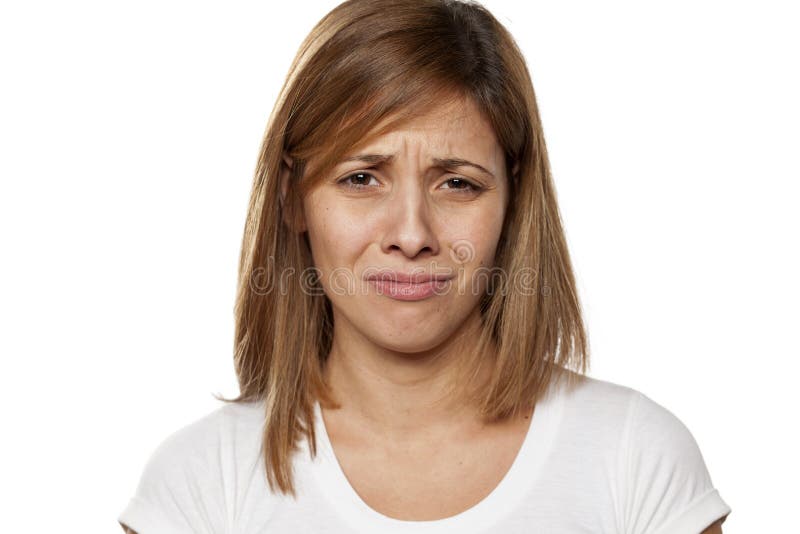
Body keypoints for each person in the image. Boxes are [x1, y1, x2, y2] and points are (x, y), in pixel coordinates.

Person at [118, 0, 732, 532]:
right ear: (292, 200)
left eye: (458, 184)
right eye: (361, 178)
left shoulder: (635, 460)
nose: (411, 235)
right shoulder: (201, 484)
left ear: (513, 200)